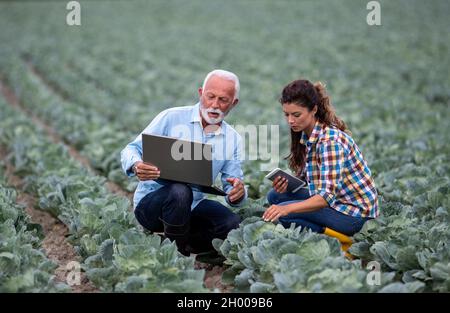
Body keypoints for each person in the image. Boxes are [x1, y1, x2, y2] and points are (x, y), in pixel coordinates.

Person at [121, 69, 247, 255]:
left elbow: (233, 183)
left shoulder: (232, 139)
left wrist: (237, 193)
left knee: (232, 224)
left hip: (192, 207)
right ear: (200, 93)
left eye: (223, 100)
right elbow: (131, 149)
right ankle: (177, 253)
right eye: (210, 96)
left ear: (233, 103)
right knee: (180, 191)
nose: (215, 105)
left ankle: (175, 240)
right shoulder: (171, 117)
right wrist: (136, 165)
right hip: (153, 205)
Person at [263, 79, 379, 236]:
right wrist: (288, 183)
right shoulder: (308, 135)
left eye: (296, 115)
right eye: (287, 114)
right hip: (336, 202)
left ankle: (338, 239)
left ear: (314, 110)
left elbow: (325, 198)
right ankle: (320, 226)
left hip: (355, 215)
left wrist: (286, 208)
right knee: (275, 196)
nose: (290, 120)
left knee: (285, 216)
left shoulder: (329, 142)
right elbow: (311, 180)